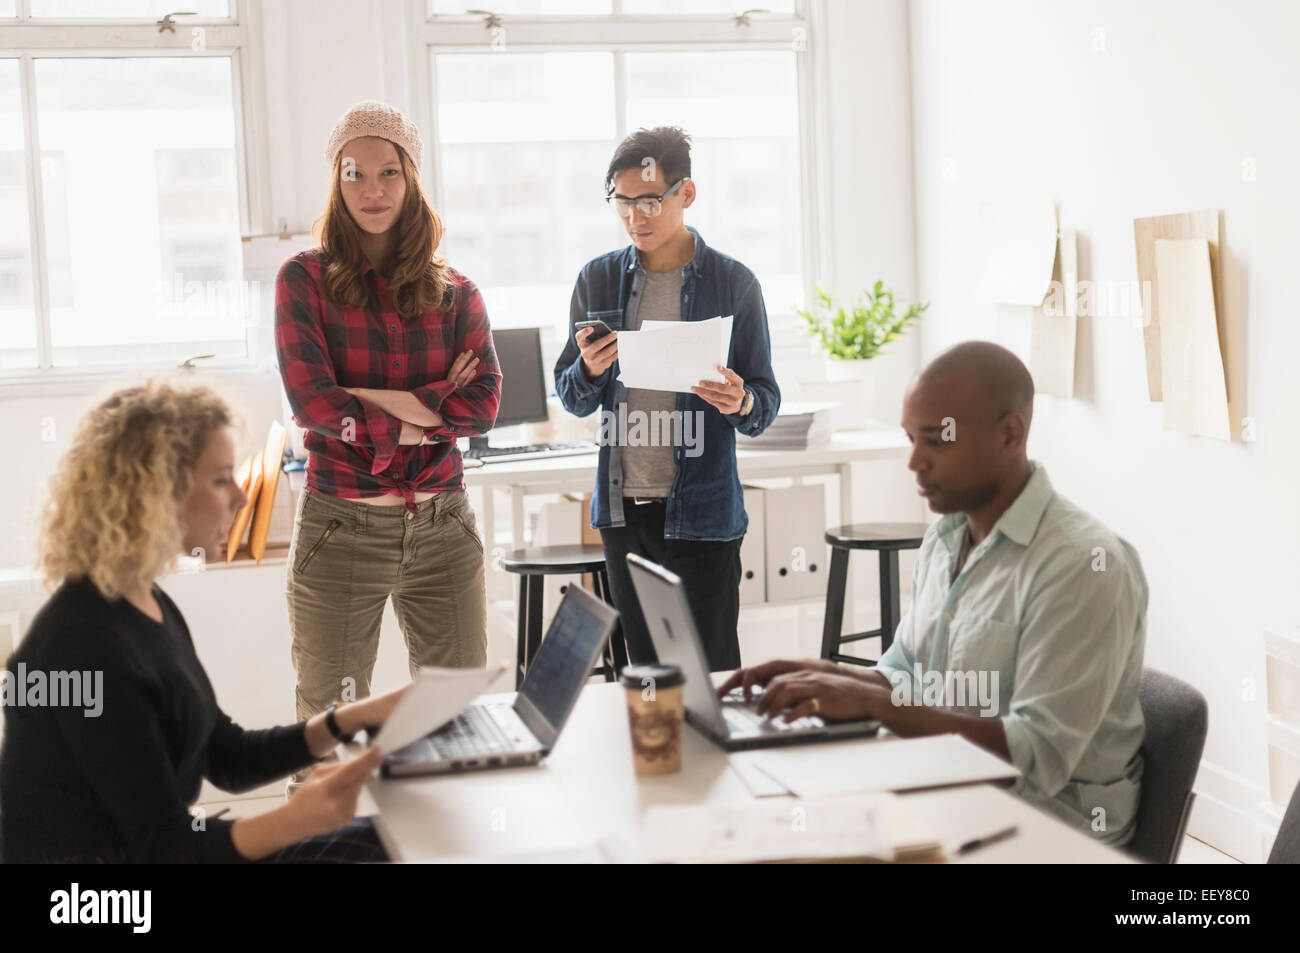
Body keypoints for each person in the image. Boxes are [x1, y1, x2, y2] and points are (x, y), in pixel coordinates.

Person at [719, 341, 1148, 846]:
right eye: (909, 440)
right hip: (945, 790)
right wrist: (825, 677)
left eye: (937, 442)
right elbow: (905, 674)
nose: (914, 462)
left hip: (1050, 830)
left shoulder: (1082, 565)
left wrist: (875, 705)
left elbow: (1038, 757)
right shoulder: (946, 537)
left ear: (1011, 434)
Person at [0, 380, 404, 863]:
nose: (240, 498)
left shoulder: (147, 604)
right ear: (153, 494)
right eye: (220, 479)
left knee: (382, 840)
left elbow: (228, 757)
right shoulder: (83, 644)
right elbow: (163, 845)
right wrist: (297, 818)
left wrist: (351, 718)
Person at [275, 100, 501, 786]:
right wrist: (432, 407)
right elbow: (314, 404)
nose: (372, 190)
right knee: (327, 728)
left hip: (444, 526)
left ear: (412, 181)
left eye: (388, 172)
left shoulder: (457, 291)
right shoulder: (303, 281)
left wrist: (370, 405)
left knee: (457, 720)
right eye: (355, 173)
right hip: (341, 526)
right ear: (336, 183)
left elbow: (485, 405)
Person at [553, 125, 779, 672]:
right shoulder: (597, 280)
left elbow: (764, 403)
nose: (637, 216)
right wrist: (588, 370)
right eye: (623, 202)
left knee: (713, 674)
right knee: (648, 678)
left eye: (650, 200)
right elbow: (571, 395)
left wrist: (740, 401)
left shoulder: (733, 283)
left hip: (703, 515)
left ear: (686, 194)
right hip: (623, 515)